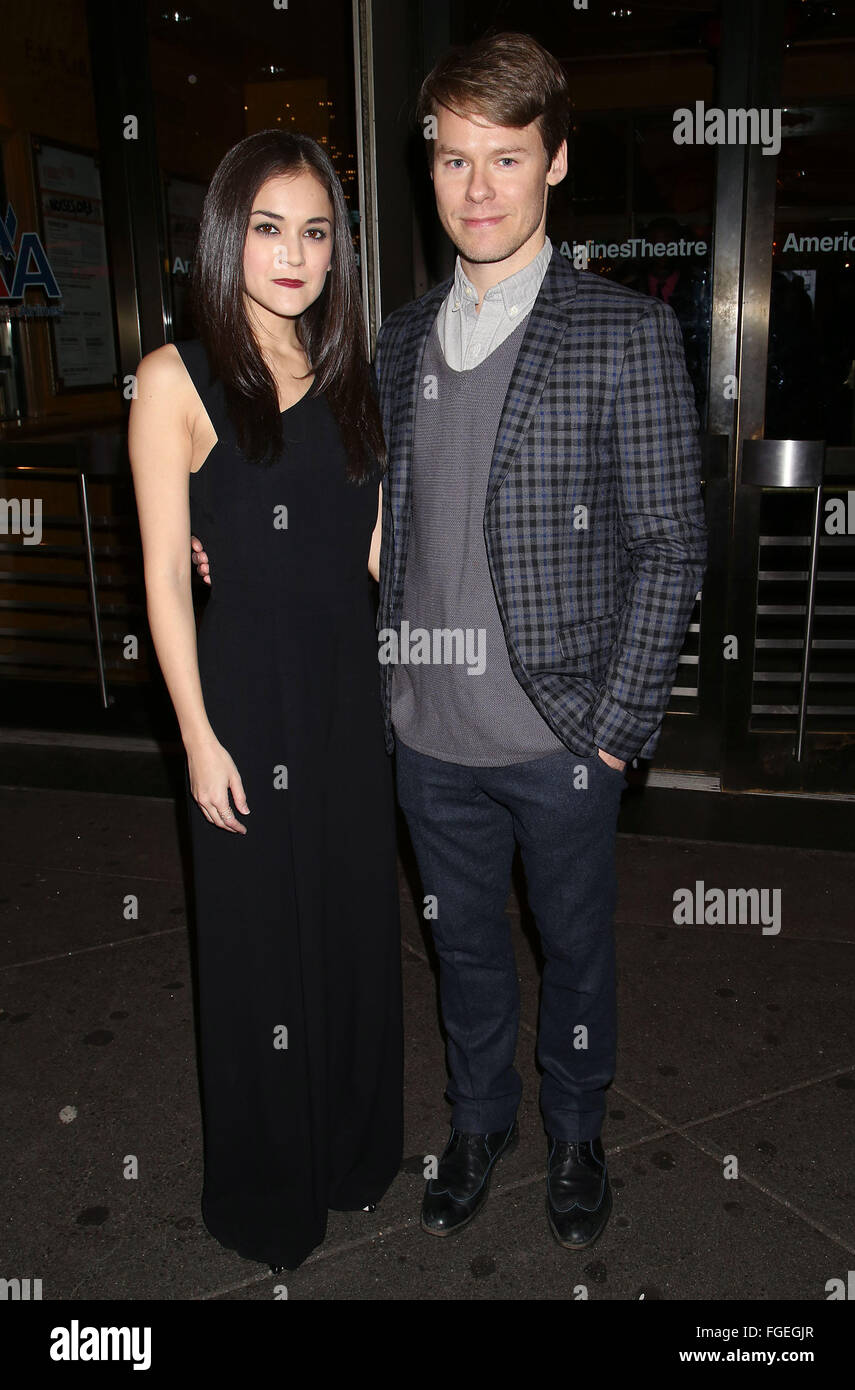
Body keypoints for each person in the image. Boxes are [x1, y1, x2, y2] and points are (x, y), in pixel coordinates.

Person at [194, 32, 708, 1254]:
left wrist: (615, 737)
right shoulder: (398, 342)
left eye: (507, 159)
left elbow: (674, 546)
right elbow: (328, 503)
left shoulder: (621, 336)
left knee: (575, 955)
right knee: (463, 952)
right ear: (429, 172)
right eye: (455, 159)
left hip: (562, 734)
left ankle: (578, 1133)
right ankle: (481, 1123)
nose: (478, 189)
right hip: (422, 737)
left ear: (556, 164)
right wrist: (228, 546)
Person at [129, 129, 403, 1273]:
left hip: (349, 707)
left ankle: (352, 1152)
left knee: (348, 933)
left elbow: (377, 554)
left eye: (317, 230)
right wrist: (196, 736)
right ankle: (266, 1186)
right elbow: (162, 580)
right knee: (255, 954)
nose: (294, 254)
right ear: (226, 234)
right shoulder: (174, 378)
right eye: (269, 226)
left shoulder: (354, 374)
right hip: (242, 704)